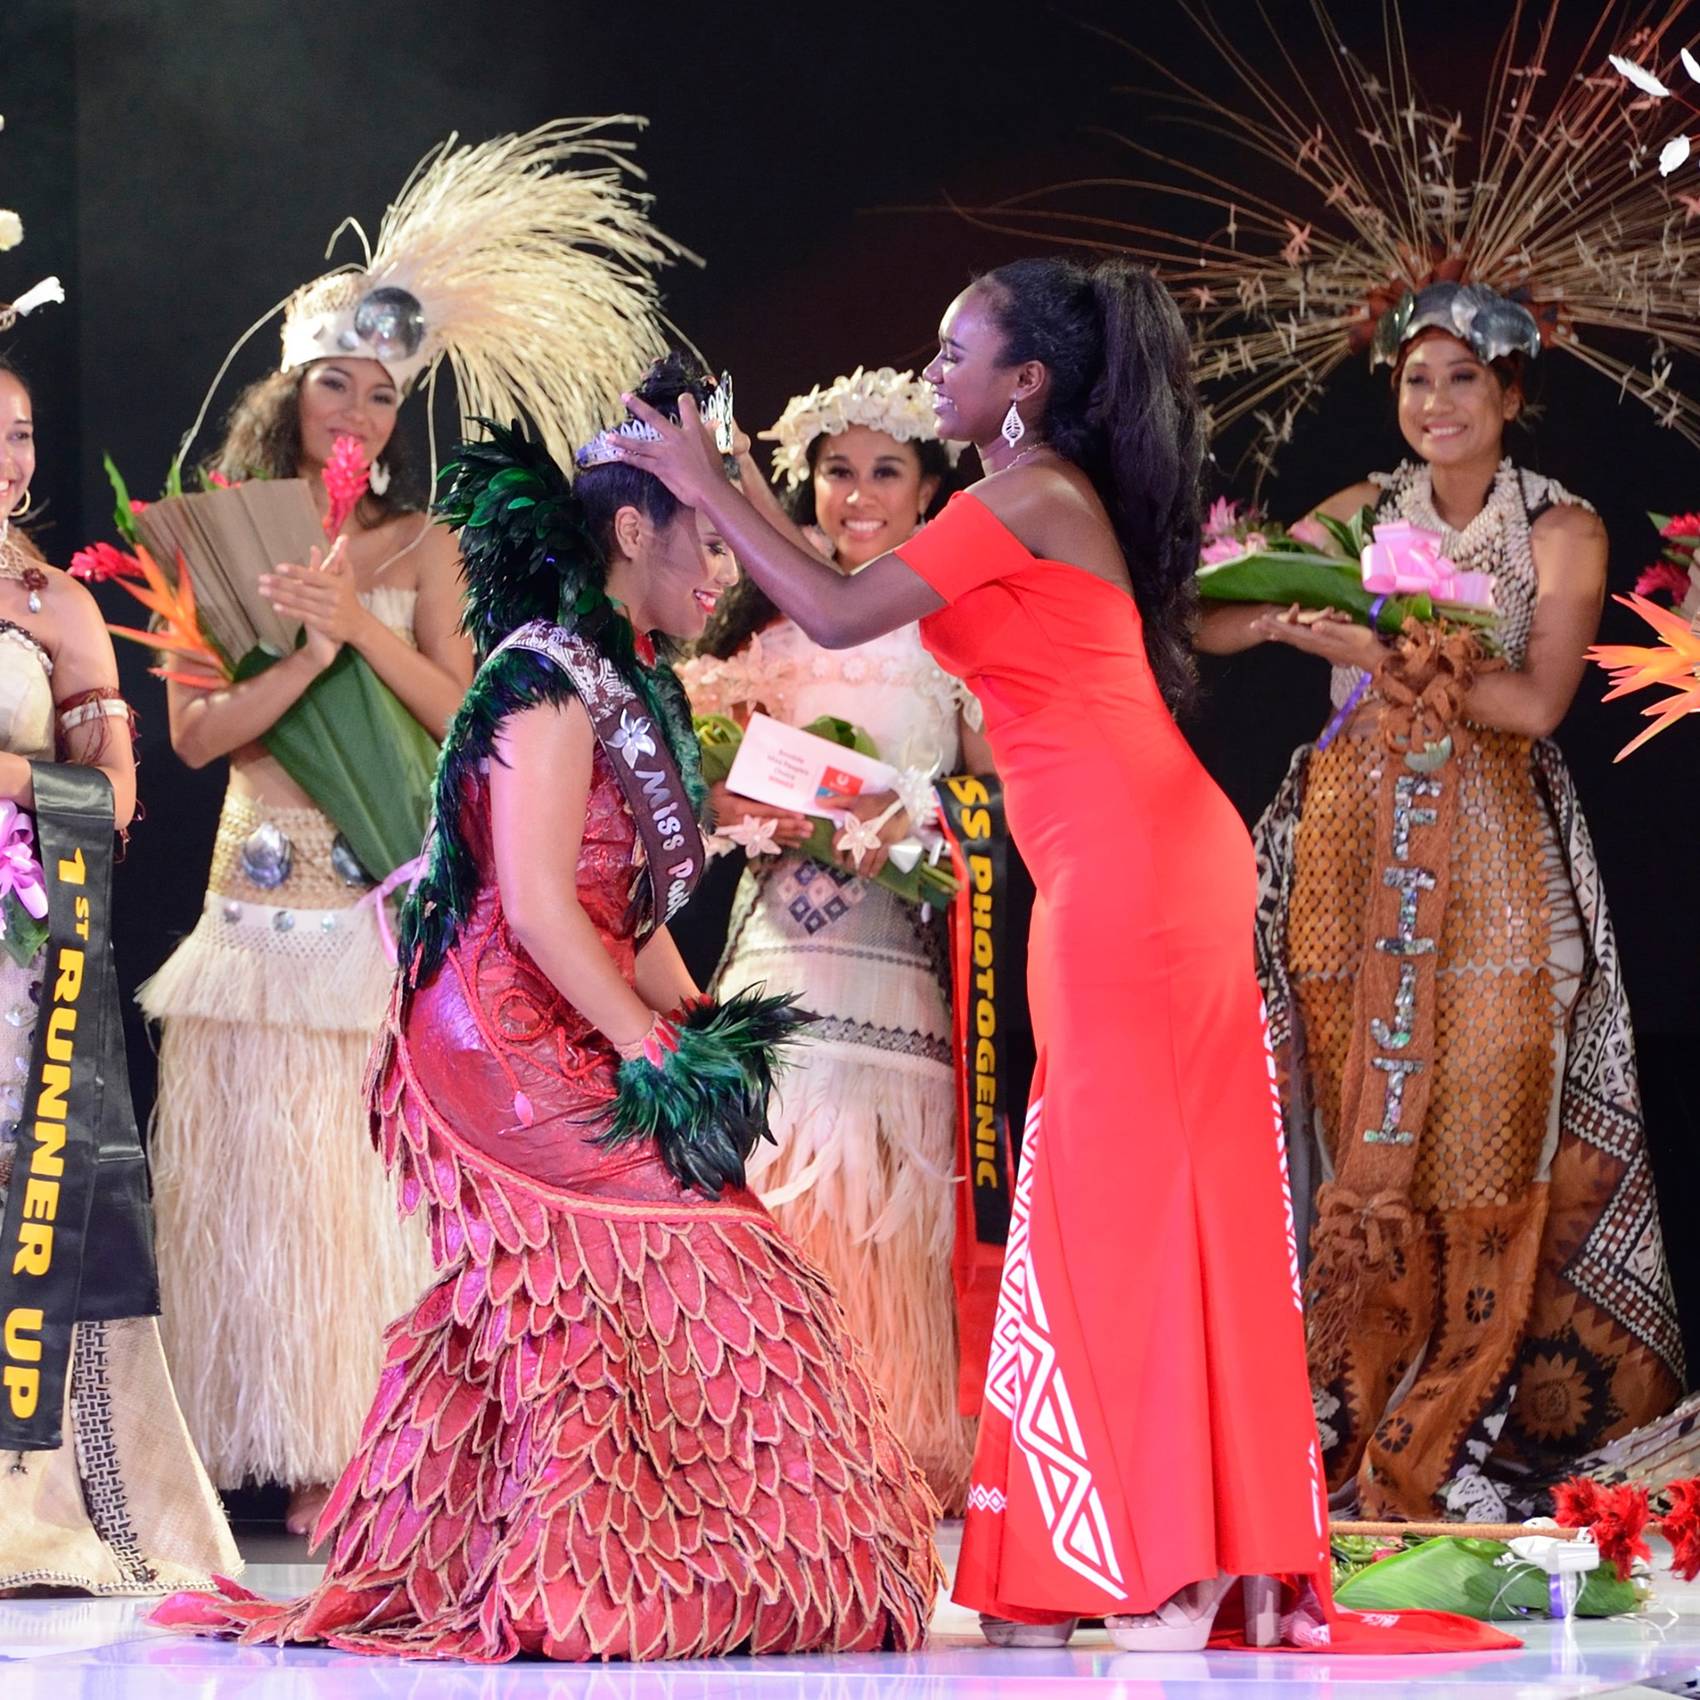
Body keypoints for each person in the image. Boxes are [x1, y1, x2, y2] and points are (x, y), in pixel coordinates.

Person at [152, 356, 942, 1661]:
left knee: (684, 1254)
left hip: (574, 1001)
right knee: (671, 1259)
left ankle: (577, 1549)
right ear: (633, 530)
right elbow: (528, 905)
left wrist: (694, 1021)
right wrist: (649, 1048)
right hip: (494, 1032)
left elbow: (621, 911)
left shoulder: (634, 678)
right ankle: (585, 1575)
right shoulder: (542, 679)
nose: (727, 570)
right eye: (707, 540)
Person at [613, 260, 1331, 1652]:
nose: (932, 371)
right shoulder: (1022, 495)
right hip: (1120, 866)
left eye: (956, 353)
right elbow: (831, 584)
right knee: (1137, 1192)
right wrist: (728, 476)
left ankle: (1151, 1560)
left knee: (1118, 1200)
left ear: (1026, 384)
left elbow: (836, 609)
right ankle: (1176, 1554)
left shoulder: (1033, 493)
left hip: (1135, 869)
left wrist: (702, 481)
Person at [140, 120, 686, 1536]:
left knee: (359, 1187)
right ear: (291, 387)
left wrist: (357, 630)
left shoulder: (426, 542)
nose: (361, 414)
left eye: (385, 395)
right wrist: (306, 653)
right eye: (338, 382)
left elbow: (466, 709)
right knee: (259, 1182)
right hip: (253, 903)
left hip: (376, 900)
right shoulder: (214, 533)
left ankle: (364, 1449)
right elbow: (197, 736)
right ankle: (256, 1437)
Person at [1199, 294, 1684, 1518]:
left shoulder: (1559, 526)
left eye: (1462, 377)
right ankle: (1347, 1412)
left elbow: (1532, 704)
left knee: (1484, 1136)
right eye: (1416, 379)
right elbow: (1204, 613)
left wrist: (1379, 651)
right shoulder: (1359, 511)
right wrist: (1282, 620)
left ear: (1511, 393)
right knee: (1357, 1133)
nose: (1435, 402)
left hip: (1496, 861)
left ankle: (1454, 1430)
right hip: (1346, 860)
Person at [681, 367, 986, 1511]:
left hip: (896, 964)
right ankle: (766, 1433)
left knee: (884, 1188)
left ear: (928, 489)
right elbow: (698, 779)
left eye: (884, 471)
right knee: (775, 1170)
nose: (858, 495)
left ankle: (887, 1435)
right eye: (837, 471)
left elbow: (999, 801)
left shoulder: (955, 632)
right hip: (774, 948)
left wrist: (912, 825)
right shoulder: (757, 623)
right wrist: (752, 809)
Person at [0, 352, 237, 1593]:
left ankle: (32, 1492)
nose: (9, 458)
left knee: (27, 1188)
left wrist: (9, 781)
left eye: (20, 432)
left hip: (19, 946)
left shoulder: (55, 605)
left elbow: (115, 796)